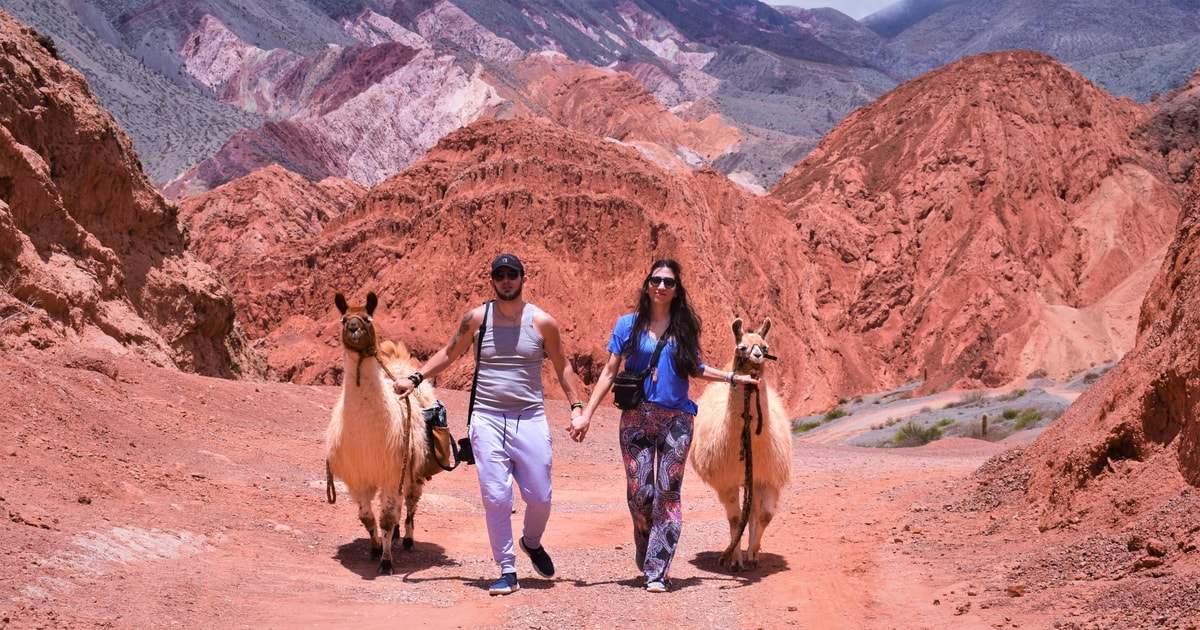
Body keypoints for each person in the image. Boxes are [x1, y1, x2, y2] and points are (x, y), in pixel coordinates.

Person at [394, 253, 585, 595]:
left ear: (523, 279)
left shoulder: (542, 322)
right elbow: (449, 353)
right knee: (496, 497)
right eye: (501, 275)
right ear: (493, 281)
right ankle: (507, 569)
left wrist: (577, 407)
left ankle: (532, 541)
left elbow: (562, 365)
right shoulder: (477, 319)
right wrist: (416, 377)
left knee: (540, 497)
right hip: (487, 418)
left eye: (513, 274)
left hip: (530, 418)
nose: (507, 280)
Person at [570, 259, 757, 593]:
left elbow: (696, 368)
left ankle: (657, 570)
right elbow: (610, 372)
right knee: (641, 493)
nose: (661, 287)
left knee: (667, 494)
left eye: (668, 283)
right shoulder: (628, 325)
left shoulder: (684, 328)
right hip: (636, 419)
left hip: (677, 421)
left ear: (676, 290)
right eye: (655, 280)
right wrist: (586, 414)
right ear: (647, 285)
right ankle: (645, 542)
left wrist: (732, 377)